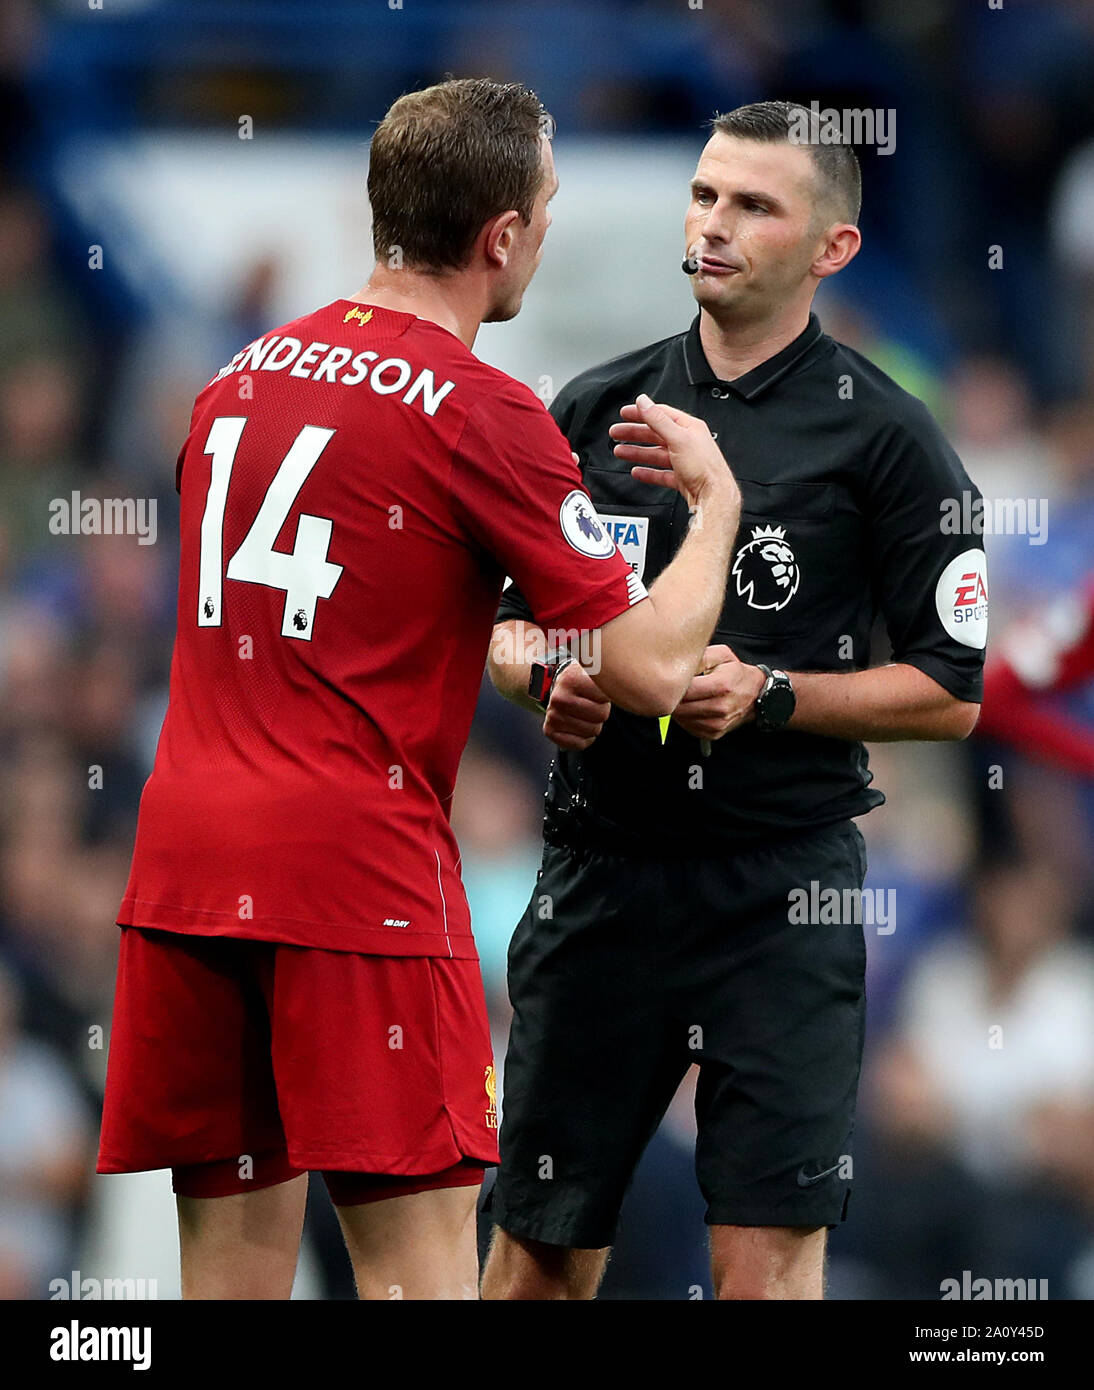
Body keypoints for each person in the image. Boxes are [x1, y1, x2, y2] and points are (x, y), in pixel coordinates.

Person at [95, 77, 742, 1301]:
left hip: (184, 870)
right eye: (542, 212)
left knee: (224, 1284)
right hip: (355, 879)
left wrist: (510, 652)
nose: (542, 237)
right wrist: (715, 510)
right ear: (500, 234)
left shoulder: (234, 379)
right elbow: (653, 666)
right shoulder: (482, 408)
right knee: (416, 1280)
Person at [482, 100, 986, 1301]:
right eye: (705, 195)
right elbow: (504, 628)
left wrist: (771, 696)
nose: (712, 225)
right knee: (537, 1254)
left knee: (760, 1266)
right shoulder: (596, 409)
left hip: (780, 894)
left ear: (830, 248)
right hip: (600, 872)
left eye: (753, 205)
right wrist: (544, 680)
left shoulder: (890, 442)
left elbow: (950, 694)